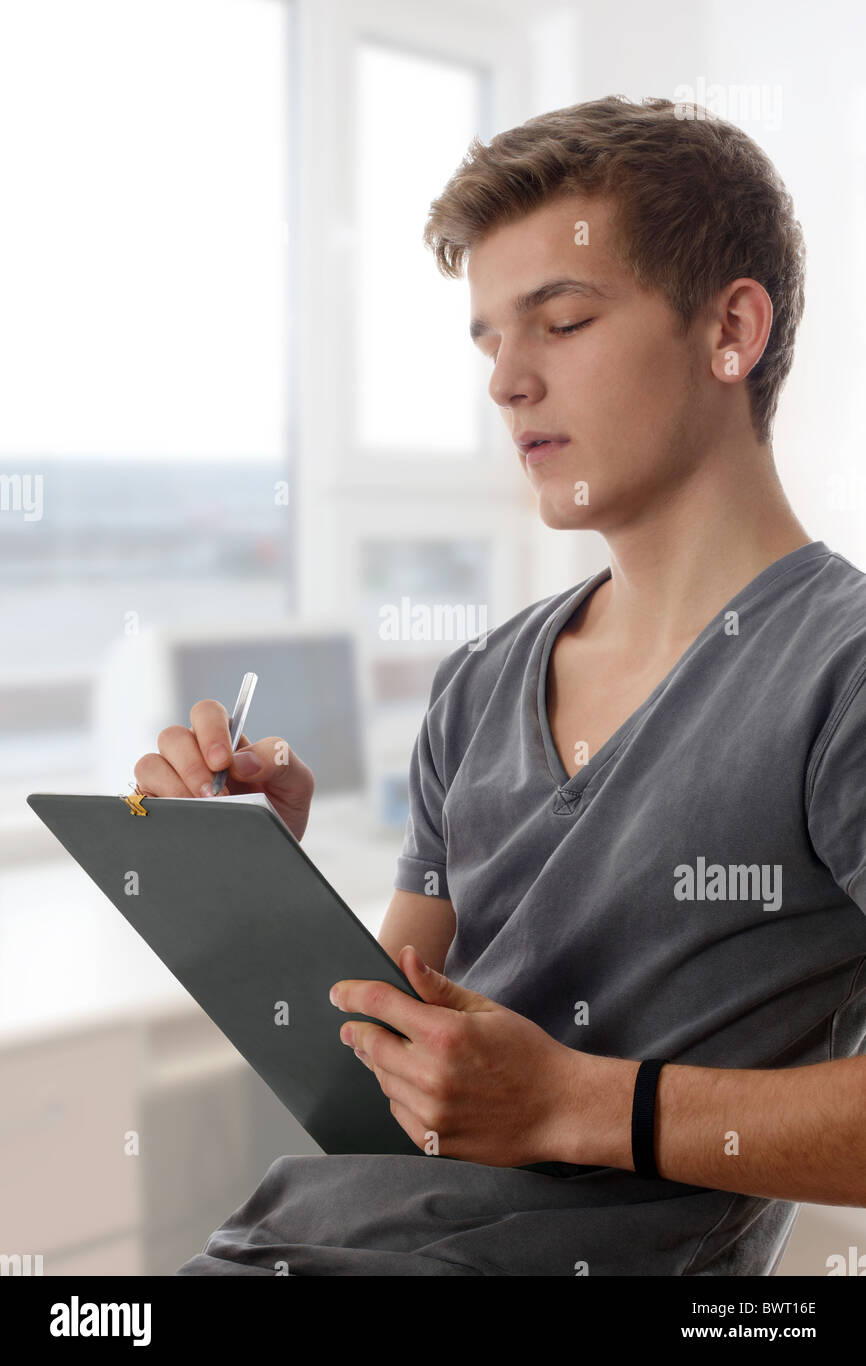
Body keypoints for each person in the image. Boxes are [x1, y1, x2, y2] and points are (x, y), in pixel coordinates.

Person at [135, 95, 866, 1275]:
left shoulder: (838, 673)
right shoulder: (476, 684)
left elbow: (532, 1105)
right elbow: (383, 1089)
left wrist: (576, 1103)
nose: (505, 383)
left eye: (562, 321)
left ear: (729, 328)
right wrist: (250, 887)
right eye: (485, 341)